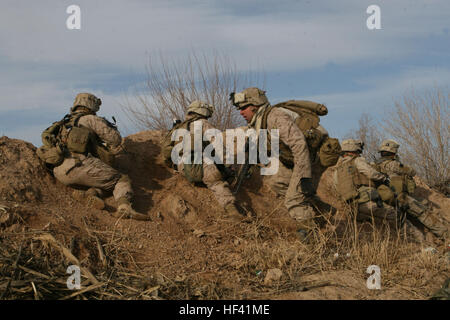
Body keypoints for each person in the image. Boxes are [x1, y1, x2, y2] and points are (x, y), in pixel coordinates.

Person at [230, 87, 320, 238]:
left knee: (293, 199)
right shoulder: (258, 121)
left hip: (305, 159)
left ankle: (312, 241)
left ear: (255, 105)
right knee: (275, 180)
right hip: (291, 160)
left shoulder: (275, 116)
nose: (241, 112)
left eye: (244, 108)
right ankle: (321, 210)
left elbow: (299, 145)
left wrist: (304, 177)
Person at [46, 93, 150, 220]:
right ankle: (125, 209)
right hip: (80, 165)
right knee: (120, 180)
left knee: (105, 183)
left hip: (59, 170)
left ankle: (92, 193)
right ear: (91, 105)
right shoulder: (90, 119)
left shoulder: (64, 122)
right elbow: (115, 139)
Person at [162, 100, 248, 222]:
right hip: (201, 163)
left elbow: (166, 153)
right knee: (216, 182)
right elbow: (217, 145)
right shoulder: (202, 123)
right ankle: (233, 211)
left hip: (182, 167)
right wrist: (228, 165)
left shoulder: (177, 128)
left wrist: (174, 166)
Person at [333, 139, 424, 240]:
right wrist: (384, 178)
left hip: (351, 207)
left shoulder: (338, 168)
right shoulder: (357, 160)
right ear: (355, 150)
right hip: (365, 202)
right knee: (396, 215)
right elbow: (371, 173)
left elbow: (337, 187)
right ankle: (420, 239)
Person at [374, 139, 448, 239]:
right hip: (400, 197)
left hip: (386, 198)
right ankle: (446, 235)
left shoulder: (375, 165)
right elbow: (412, 171)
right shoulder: (394, 164)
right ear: (393, 153)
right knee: (423, 213)